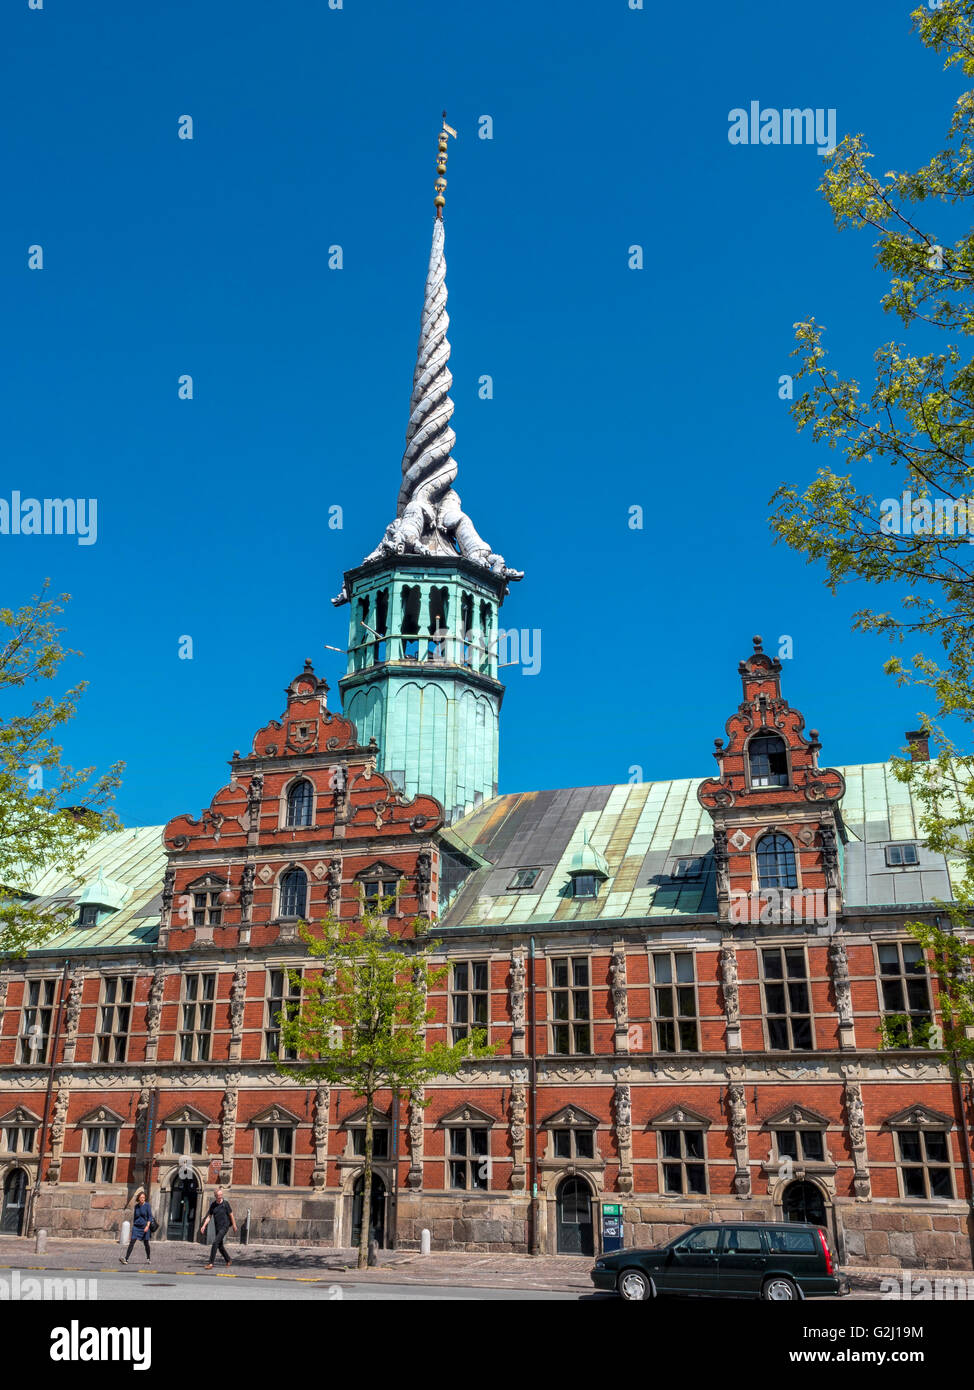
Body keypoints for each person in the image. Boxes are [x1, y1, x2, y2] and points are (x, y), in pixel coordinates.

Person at [200, 1185, 237, 1268]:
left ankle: (210, 1263)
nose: (220, 1197)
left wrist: (234, 1225)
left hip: (225, 1226)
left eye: (221, 1195)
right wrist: (203, 1226)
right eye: (218, 1196)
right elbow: (209, 1216)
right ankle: (228, 1260)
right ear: (215, 1196)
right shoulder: (213, 1205)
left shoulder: (225, 1204)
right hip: (218, 1227)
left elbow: (231, 1215)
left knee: (215, 1243)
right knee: (220, 1246)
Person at [120, 1188, 153, 1264]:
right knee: (132, 1242)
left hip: (145, 1227)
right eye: (141, 1197)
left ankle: (148, 1258)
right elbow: (135, 1217)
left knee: (146, 1243)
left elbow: (150, 1217)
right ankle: (126, 1259)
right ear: (138, 1198)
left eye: (144, 1197)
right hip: (136, 1227)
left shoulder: (147, 1206)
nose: (142, 1199)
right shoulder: (136, 1206)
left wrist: (147, 1226)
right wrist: (134, 1226)